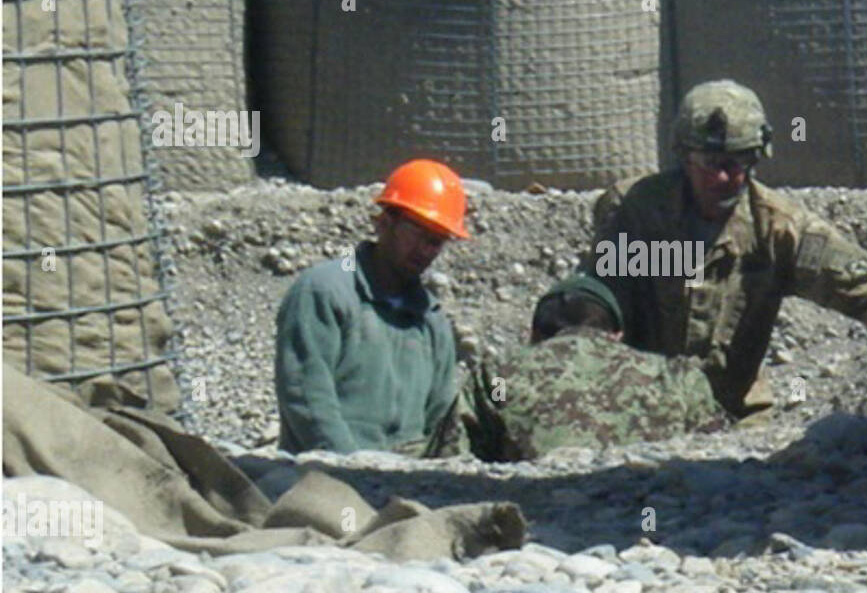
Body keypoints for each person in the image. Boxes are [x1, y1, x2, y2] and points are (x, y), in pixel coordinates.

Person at [585, 79, 867, 417]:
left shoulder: (778, 228)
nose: (728, 176)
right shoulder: (634, 211)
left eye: (741, 161)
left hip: (734, 416)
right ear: (683, 157)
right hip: (637, 411)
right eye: (712, 162)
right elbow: (594, 298)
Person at [274, 158, 469, 454]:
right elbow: (307, 397)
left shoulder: (431, 319)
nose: (425, 250)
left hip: (405, 483)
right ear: (384, 223)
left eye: (436, 241)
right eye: (416, 232)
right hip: (321, 482)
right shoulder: (325, 291)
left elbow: (440, 418)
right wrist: (356, 471)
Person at [453, 274, 728, 461]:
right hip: (652, 523)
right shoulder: (676, 377)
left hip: (534, 525)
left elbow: (454, 457)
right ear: (617, 335)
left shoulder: (499, 377)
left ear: (534, 334)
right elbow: (715, 455)